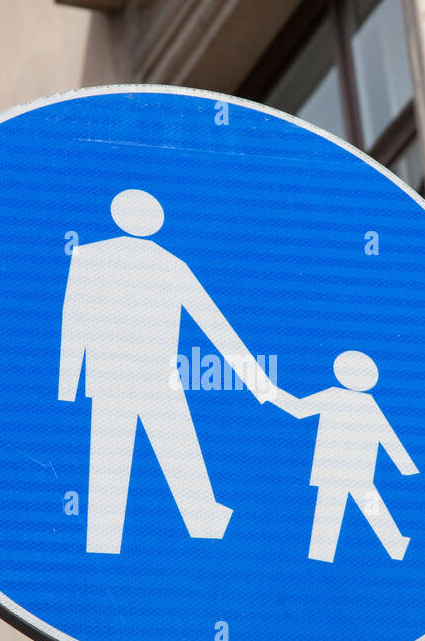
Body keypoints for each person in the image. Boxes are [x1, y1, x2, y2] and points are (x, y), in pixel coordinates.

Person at [58, 189, 273, 554]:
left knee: (117, 460)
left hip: (115, 379)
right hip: (154, 378)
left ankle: (105, 541)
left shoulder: (91, 256)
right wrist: (258, 383)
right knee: (177, 452)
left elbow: (73, 324)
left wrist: (68, 385)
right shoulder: (169, 264)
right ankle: (203, 521)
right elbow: (216, 327)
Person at [270, 351, 418, 563]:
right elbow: (389, 439)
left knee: (342, 511)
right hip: (356, 472)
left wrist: (272, 393)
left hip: (335, 470)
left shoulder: (334, 396)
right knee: (367, 509)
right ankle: (395, 545)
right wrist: (406, 468)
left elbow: (298, 409)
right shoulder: (369, 404)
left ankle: (326, 555)